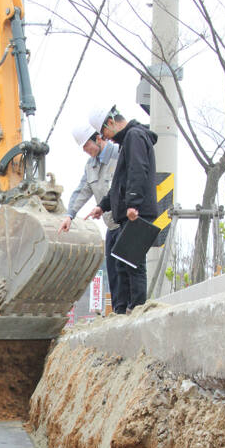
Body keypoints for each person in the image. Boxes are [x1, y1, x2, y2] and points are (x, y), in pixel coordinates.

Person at [87, 105, 158, 314]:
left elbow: (138, 170)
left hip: (137, 212)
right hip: (130, 211)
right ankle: (124, 310)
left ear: (110, 122)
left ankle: (136, 309)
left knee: (132, 263)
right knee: (122, 263)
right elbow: (120, 183)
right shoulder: (127, 141)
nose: (106, 138)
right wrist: (102, 206)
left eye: (104, 133)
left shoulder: (134, 137)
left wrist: (133, 203)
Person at [58, 122, 121, 310]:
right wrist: (70, 215)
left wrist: (102, 206)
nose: (86, 151)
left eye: (87, 145)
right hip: (111, 225)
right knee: (113, 271)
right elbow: (82, 191)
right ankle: (119, 311)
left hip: (126, 222)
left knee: (127, 269)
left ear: (99, 138)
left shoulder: (118, 155)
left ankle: (132, 309)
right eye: (83, 148)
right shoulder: (90, 166)